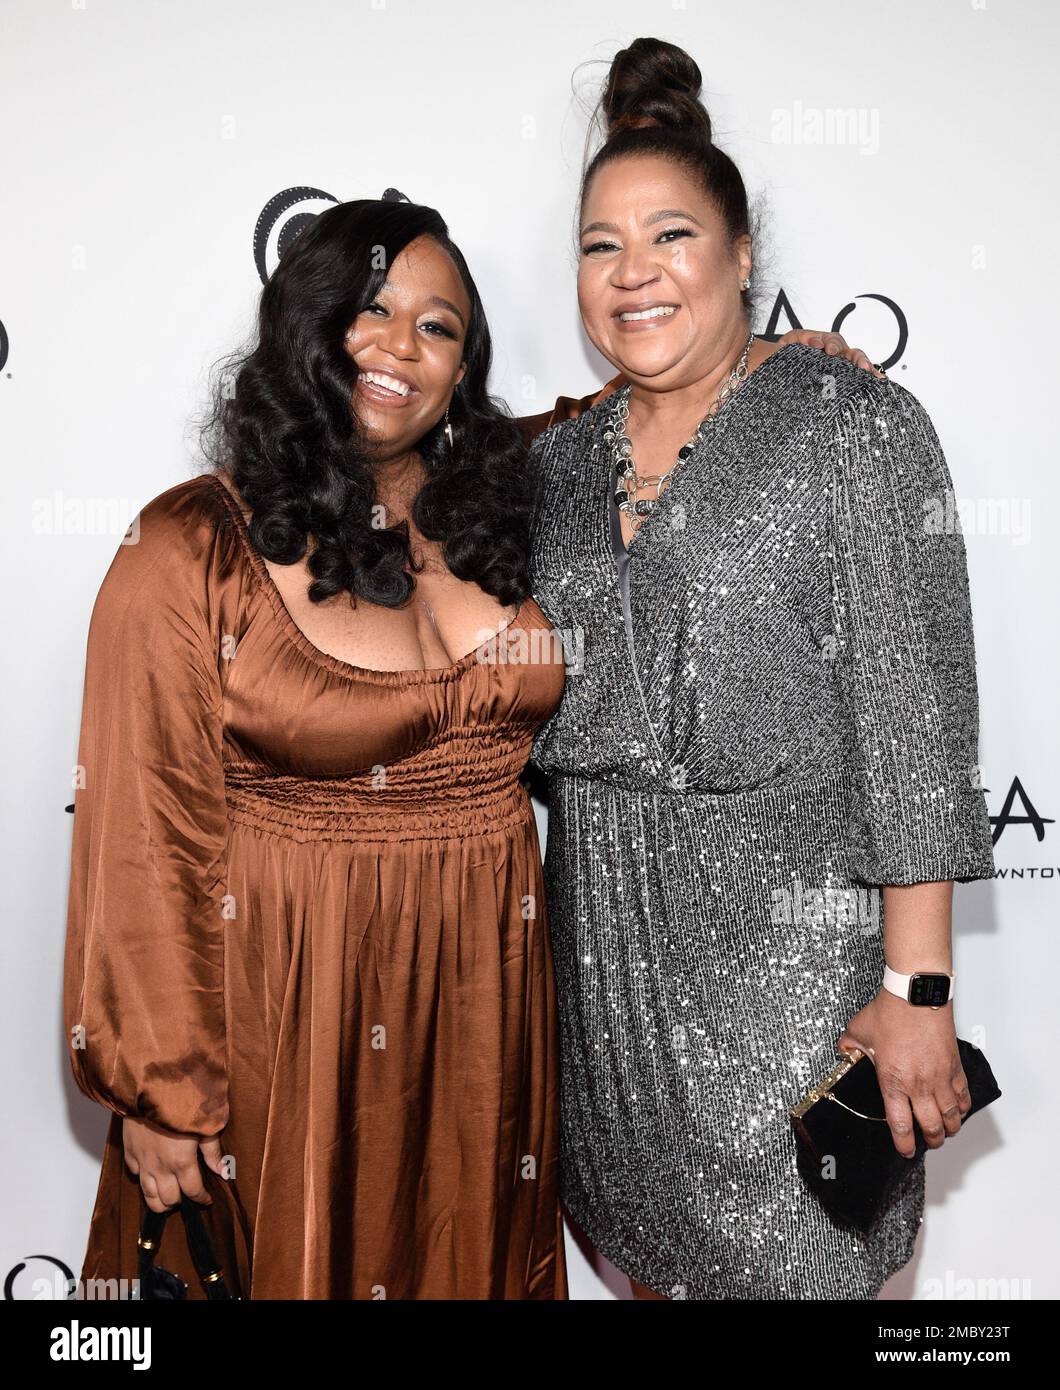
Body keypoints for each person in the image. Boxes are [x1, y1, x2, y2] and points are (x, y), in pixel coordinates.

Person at [524, 37, 995, 1301]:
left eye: (671, 236)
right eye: (599, 245)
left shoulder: (849, 425)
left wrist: (916, 989)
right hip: (607, 986)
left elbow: (910, 722)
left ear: (743, 259)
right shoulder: (552, 469)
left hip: (793, 986)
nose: (633, 275)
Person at [63, 198, 568, 1299]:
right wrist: (157, 1095)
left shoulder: (487, 517)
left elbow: (643, 402)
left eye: (441, 328)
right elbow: (142, 840)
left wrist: (759, 357)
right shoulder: (188, 549)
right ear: (306, 323)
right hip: (292, 1011)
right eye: (372, 310)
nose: (402, 346)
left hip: (480, 1014)